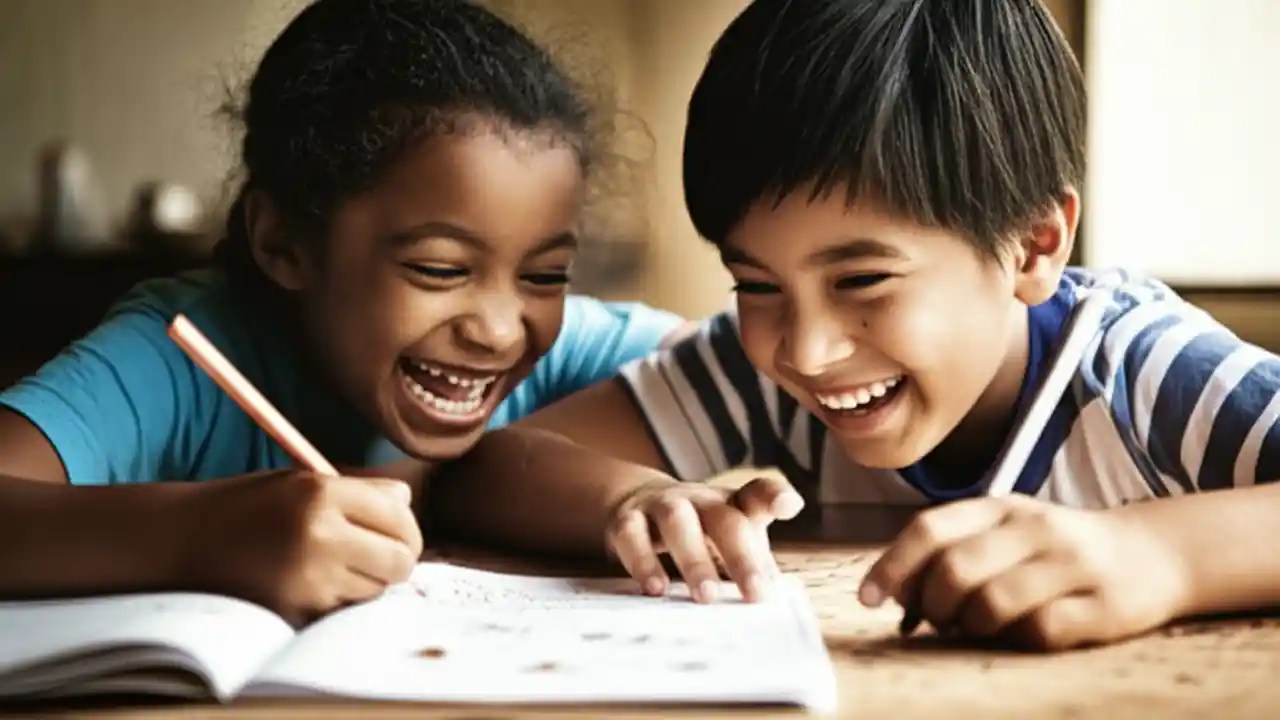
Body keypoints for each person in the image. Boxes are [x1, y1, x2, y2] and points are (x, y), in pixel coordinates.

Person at [510, 0, 1280, 651]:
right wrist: (626, 500)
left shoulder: (1147, 376)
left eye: (863, 280)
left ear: (1033, 246)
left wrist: (1160, 555)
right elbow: (497, 466)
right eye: (755, 283)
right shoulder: (764, 375)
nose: (807, 350)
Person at [0, 0, 793, 625]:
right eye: (439, 269)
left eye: (547, 273)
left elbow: (769, 368)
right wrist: (203, 536)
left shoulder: (565, 347)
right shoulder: (179, 353)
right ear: (284, 242)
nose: (498, 327)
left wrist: (644, 497)